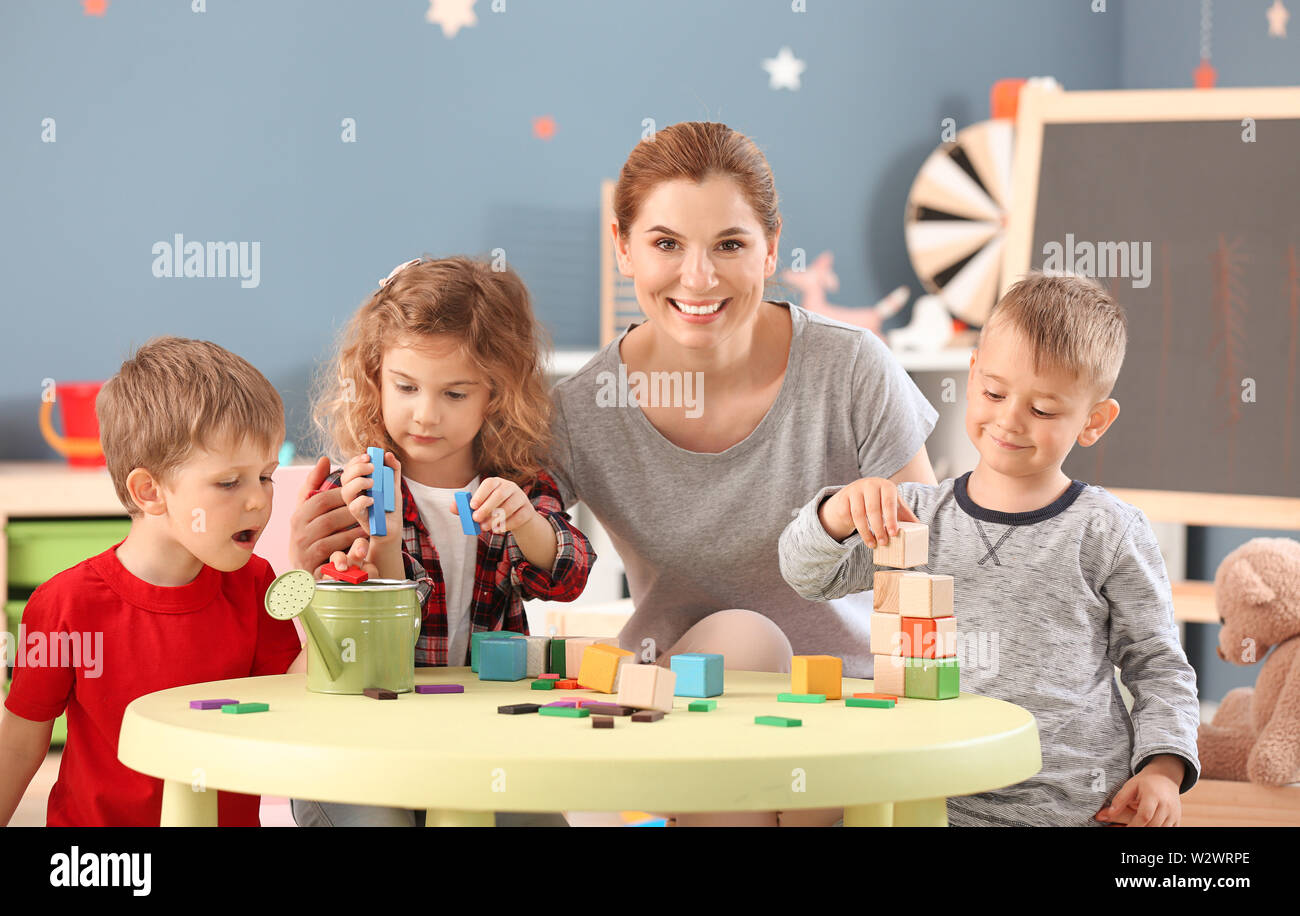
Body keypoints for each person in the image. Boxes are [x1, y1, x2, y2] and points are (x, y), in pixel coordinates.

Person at [546, 121, 939, 825]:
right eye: (667, 244)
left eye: (730, 244)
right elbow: (496, 538)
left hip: (841, 706)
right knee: (741, 639)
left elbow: (928, 562)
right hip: (681, 713)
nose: (699, 278)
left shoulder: (850, 369)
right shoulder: (583, 410)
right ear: (623, 248)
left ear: (771, 248)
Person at [779, 271, 1201, 826]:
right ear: (972, 373)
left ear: (1094, 421)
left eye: (1043, 410)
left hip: (1071, 807)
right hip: (932, 797)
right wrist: (835, 514)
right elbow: (807, 575)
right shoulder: (914, 515)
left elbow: (1159, 665)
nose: (1008, 419)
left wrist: (1163, 771)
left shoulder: (1108, 531)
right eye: (995, 393)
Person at [290, 255, 593, 827]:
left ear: (494, 395)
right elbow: (338, 648)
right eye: (406, 387)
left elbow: (570, 574)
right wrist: (372, 546)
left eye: (455, 394)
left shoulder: (518, 487)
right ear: (375, 377)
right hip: (360, 750)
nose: (425, 414)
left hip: (483, 747)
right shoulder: (351, 490)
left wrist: (526, 523)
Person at [0, 337, 303, 825]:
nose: (258, 501)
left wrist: (336, 598)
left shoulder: (257, 585)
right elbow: (19, 743)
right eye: (230, 482)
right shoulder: (64, 605)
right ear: (150, 492)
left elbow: (293, 708)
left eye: (266, 477)